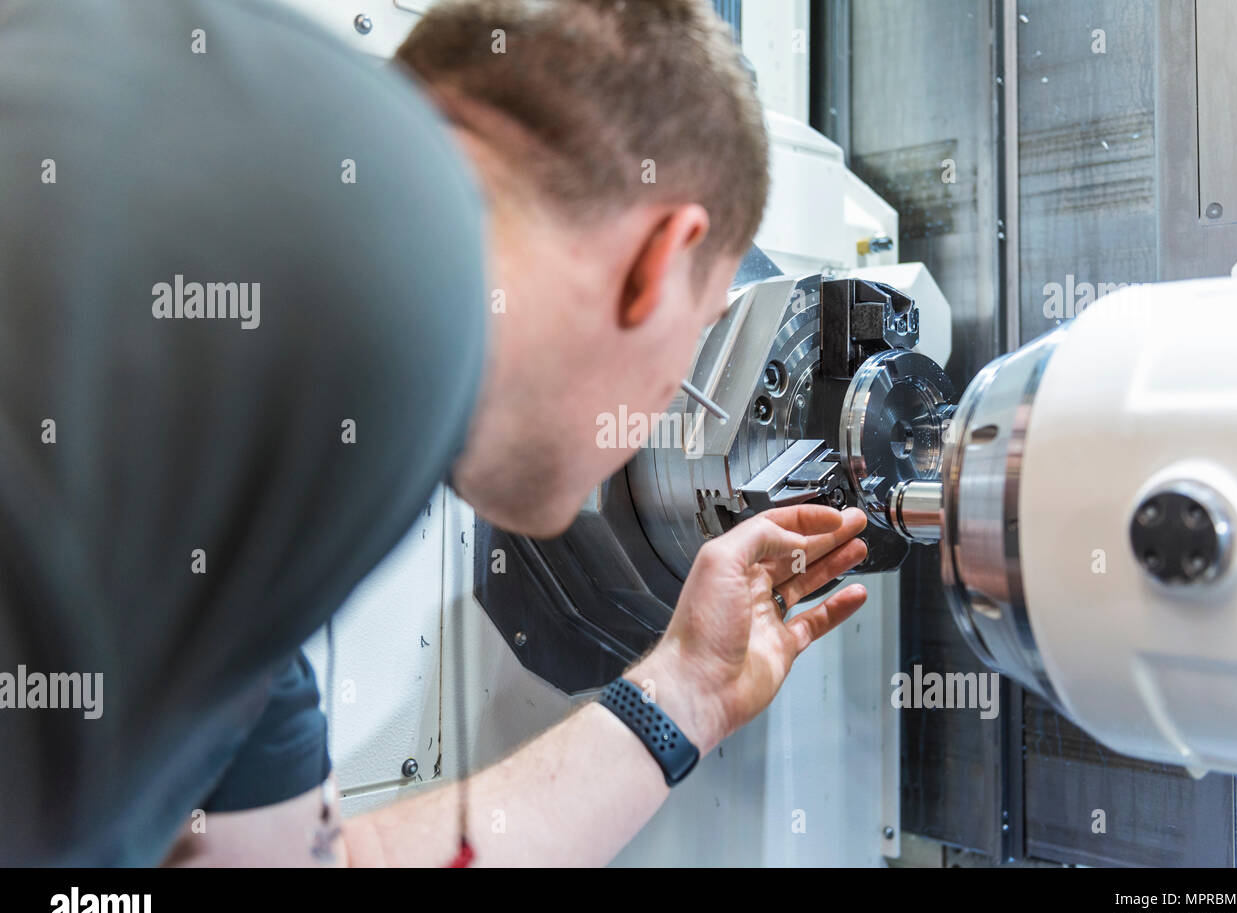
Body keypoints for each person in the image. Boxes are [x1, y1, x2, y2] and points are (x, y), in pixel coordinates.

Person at [0, 0, 867, 867]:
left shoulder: (267, 419)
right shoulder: (398, 303)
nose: (675, 394)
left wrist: (686, 693)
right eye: (705, 327)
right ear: (660, 257)